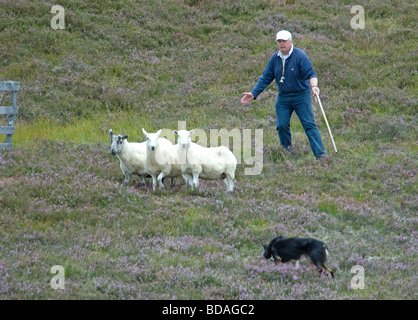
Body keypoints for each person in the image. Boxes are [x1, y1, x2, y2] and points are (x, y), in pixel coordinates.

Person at [241, 30, 327, 159]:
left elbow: (311, 74)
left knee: (309, 125)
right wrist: (254, 93)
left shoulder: (300, 56)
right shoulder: (274, 58)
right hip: (283, 97)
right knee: (281, 125)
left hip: (301, 96)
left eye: (284, 41)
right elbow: (265, 77)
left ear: (291, 41)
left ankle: (321, 155)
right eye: (279, 41)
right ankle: (287, 153)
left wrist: (314, 87)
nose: (282, 44)